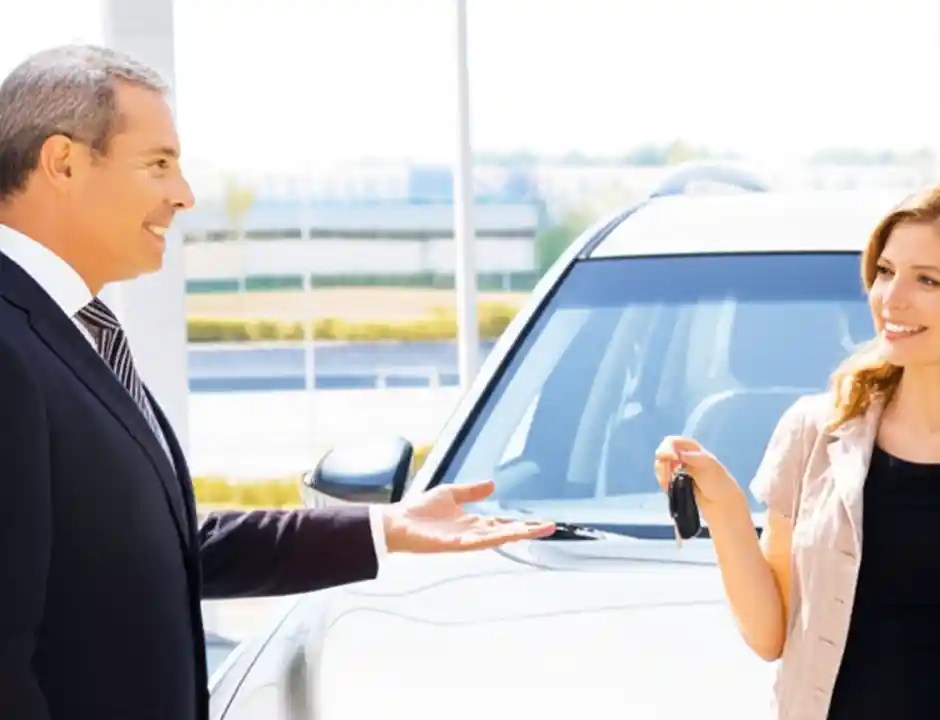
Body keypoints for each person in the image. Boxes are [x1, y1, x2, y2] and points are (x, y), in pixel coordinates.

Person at [0, 45, 554, 720]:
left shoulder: (70, 327)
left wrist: (385, 527)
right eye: (159, 164)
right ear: (62, 163)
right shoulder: (10, 344)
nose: (184, 195)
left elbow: (169, 546)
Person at [655, 180, 940, 720]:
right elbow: (769, 636)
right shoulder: (814, 430)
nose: (891, 299)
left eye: (928, 280)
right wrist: (724, 508)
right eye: (885, 271)